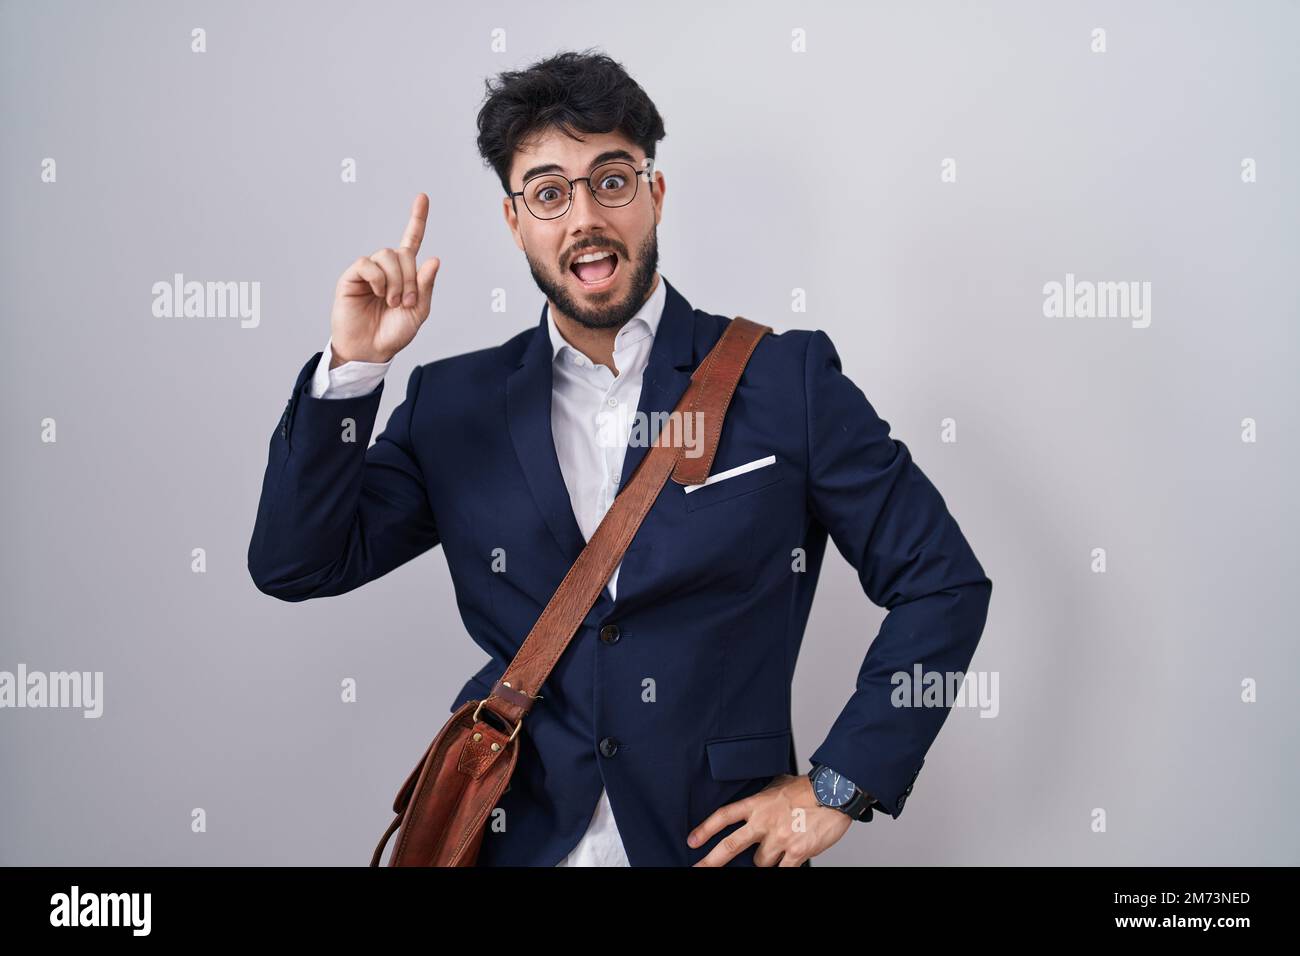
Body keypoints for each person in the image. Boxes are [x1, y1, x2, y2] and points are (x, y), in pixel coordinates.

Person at [247, 49, 992, 867]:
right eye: (548, 192)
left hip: (711, 847)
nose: (583, 219)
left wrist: (839, 783)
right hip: (509, 840)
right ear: (514, 221)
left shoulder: (787, 380)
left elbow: (942, 580)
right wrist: (353, 370)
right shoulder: (449, 404)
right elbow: (295, 564)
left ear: (654, 194)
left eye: (611, 179)